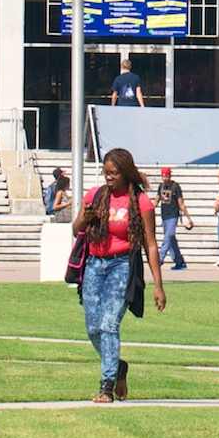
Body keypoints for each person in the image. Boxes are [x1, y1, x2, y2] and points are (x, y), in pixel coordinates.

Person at [74, 147, 167, 401]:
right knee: (93, 328)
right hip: (94, 264)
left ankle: (106, 386)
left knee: (109, 324)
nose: (109, 177)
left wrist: (158, 285)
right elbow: (76, 229)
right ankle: (118, 366)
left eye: (114, 173)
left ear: (125, 173)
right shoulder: (95, 195)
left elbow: (150, 244)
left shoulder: (140, 201)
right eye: (106, 173)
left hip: (121, 265)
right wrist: (87, 217)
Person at [154, 166, 194, 271]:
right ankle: (179, 262)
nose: (164, 178)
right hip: (164, 216)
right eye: (163, 176)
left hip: (173, 216)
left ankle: (159, 260)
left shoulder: (175, 187)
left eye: (166, 176)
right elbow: (156, 200)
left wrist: (188, 218)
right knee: (171, 240)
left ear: (170, 175)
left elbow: (181, 204)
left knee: (168, 237)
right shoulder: (161, 186)